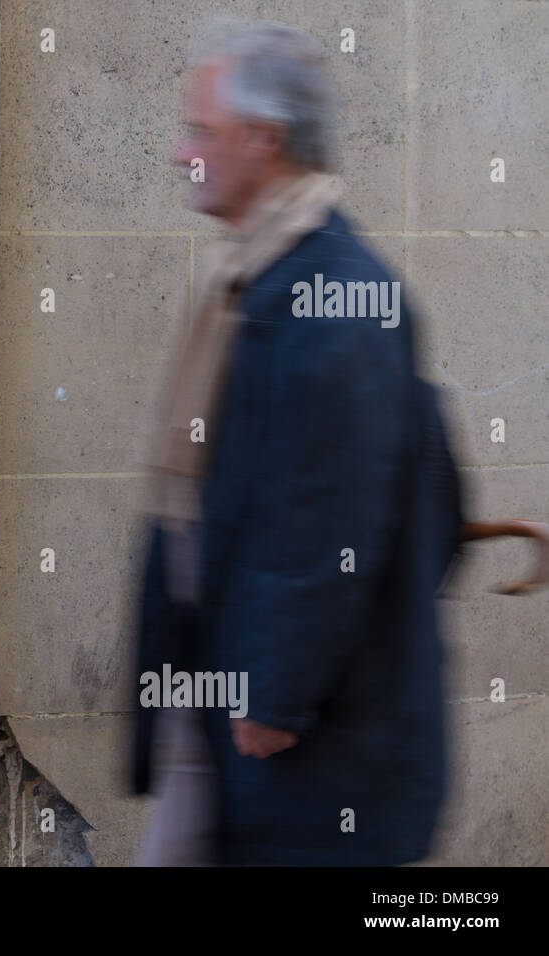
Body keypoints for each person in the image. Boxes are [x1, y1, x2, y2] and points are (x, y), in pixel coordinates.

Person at [131, 20, 465, 865]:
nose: (181, 153)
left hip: (309, 752)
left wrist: (275, 695)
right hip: (224, 712)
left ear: (264, 140)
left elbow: (334, 518)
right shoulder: (252, 277)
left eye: (200, 132)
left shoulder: (338, 298)